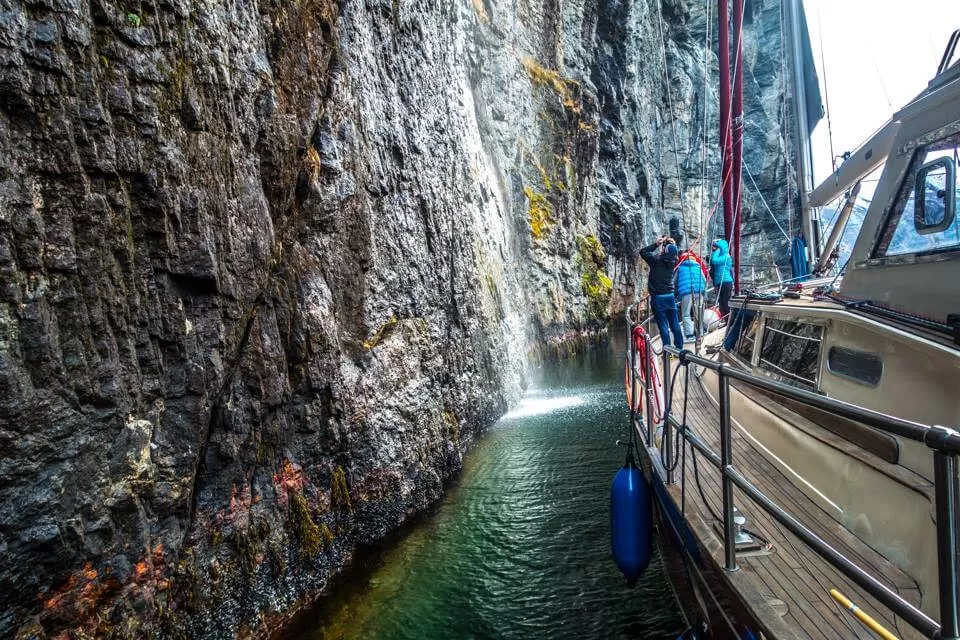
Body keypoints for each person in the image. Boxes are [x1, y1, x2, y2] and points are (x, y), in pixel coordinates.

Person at [640, 236, 684, 350]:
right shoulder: (674, 262)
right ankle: (679, 348)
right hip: (670, 296)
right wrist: (670, 246)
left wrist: (657, 244)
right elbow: (673, 253)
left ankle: (667, 351)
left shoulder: (656, 261)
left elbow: (643, 251)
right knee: (674, 324)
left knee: (663, 325)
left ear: (664, 250)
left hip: (658, 298)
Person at [674, 249, 707, 342]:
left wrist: (675, 294)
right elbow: (704, 279)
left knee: (686, 313)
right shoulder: (698, 267)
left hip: (686, 292)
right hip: (699, 291)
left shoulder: (680, 268)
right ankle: (700, 333)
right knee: (699, 312)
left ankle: (689, 336)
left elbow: (674, 282)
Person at [710, 238, 735, 319]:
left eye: (717, 247)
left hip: (725, 281)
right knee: (721, 303)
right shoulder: (723, 256)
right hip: (721, 281)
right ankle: (725, 319)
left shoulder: (726, 256)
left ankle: (728, 320)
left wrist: (717, 250)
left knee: (726, 302)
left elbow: (714, 261)